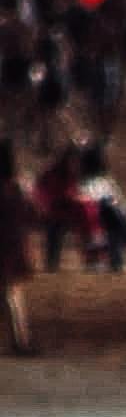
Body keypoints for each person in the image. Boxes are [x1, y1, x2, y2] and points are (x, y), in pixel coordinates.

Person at [0, 137, 35, 354]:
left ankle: (20, 341)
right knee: (13, 293)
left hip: (7, 243)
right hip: (14, 242)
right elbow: (34, 213)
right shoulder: (18, 186)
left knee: (10, 293)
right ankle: (20, 340)